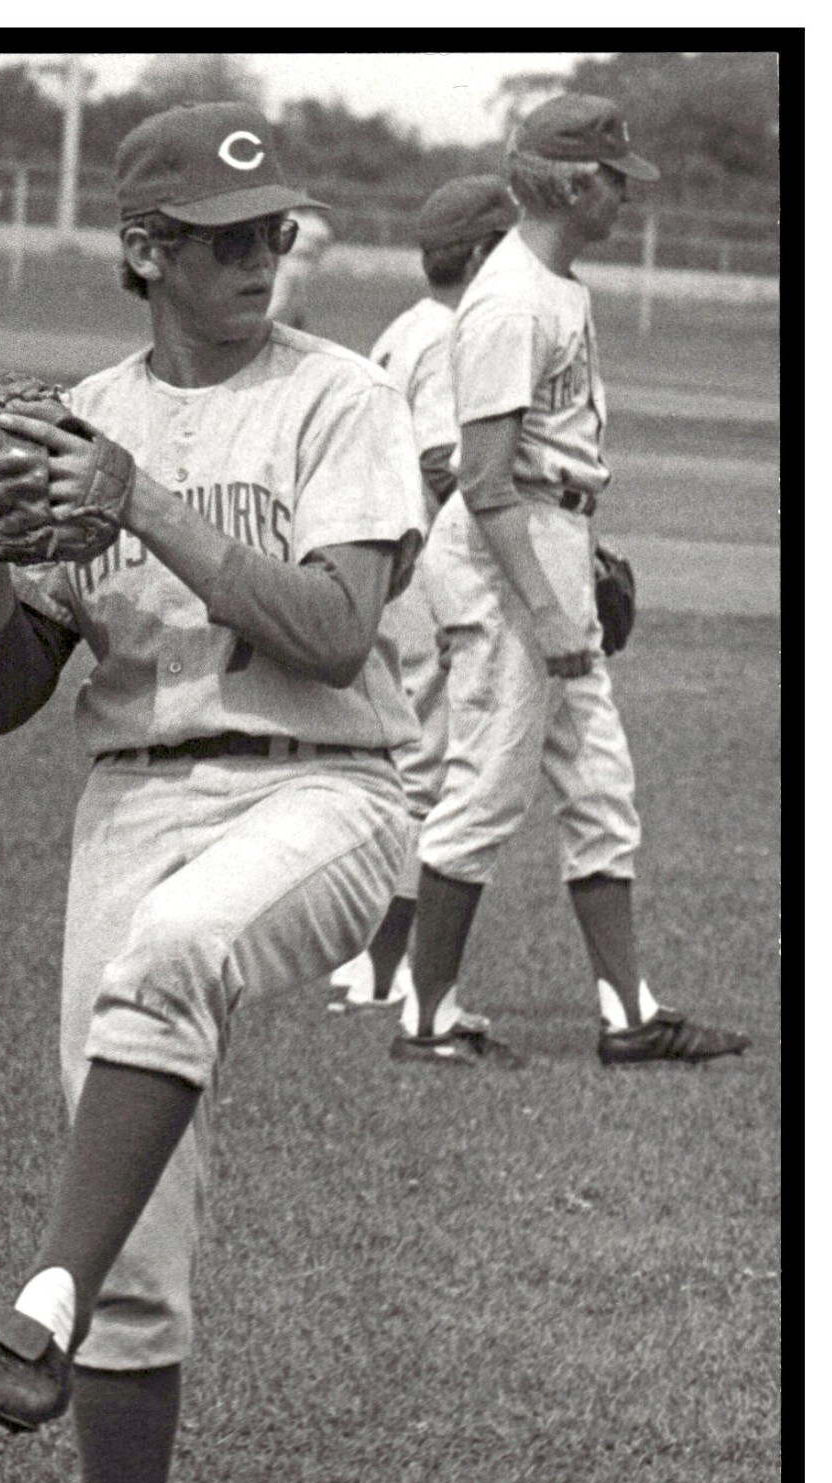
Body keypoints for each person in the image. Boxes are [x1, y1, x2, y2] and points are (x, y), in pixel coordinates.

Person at [0, 102, 426, 1483]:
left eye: (277, 229)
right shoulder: (83, 419)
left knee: (175, 952)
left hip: (323, 787)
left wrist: (141, 506)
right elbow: (4, 694)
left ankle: (32, 1307)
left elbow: (335, 636)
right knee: (135, 1257)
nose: (264, 254)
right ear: (146, 250)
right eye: (227, 239)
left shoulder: (340, 400)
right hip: (132, 796)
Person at [390, 94, 752, 1070]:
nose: (625, 197)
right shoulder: (509, 299)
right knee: (486, 790)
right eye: (614, 180)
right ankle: (426, 1019)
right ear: (570, 182)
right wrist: (547, 606)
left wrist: (577, 560)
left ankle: (627, 1012)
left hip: (552, 533)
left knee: (599, 786)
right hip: (506, 550)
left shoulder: (558, 286)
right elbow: (480, 477)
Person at [328, 176, 517, 1013]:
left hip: (387, 566)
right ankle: (380, 967)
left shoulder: (407, 326)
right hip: (422, 567)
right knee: (426, 773)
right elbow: (447, 460)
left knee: (410, 767)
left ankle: (373, 961)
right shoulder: (450, 335)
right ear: (478, 255)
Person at [265, 206, 334, 329]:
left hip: (306, 264)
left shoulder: (316, 223)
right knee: (280, 298)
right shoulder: (289, 218)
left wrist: (315, 258)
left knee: (300, 302)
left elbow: (325, 242)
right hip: (288, 262)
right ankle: (265, 323)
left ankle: (298, 330)